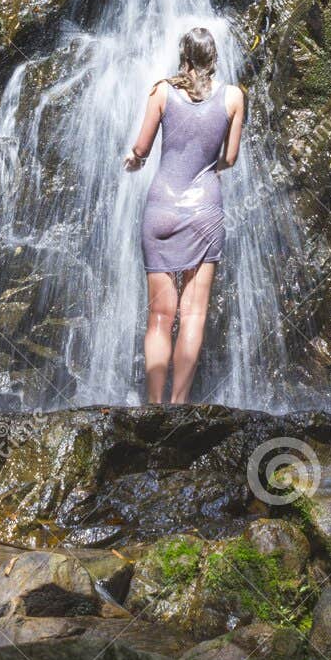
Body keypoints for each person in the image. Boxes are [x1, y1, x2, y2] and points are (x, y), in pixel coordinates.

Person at [123, 27, 244, 404]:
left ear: (185, 60)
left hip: (162, 208)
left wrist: (134, 158)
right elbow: (230, 158)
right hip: (205, 211)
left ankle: (154, 406)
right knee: (192, 314)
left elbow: (141, 147)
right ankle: (179, 406)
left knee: (160, 315)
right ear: (215, 60)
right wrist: (207, 166)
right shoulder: (234, 97)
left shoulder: (161, 91)